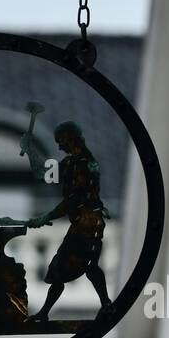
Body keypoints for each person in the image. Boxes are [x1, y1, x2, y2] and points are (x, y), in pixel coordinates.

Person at [27, 121, 111, 321]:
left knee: (66, 267)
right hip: (85, 223)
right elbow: (44, 175)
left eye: (61, 141)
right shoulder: (71, 163)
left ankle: (45, 313)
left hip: (88, 223)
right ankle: (105, 304)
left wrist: (46, 217)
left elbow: (74, 199)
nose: (59, 147)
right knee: (80, 266)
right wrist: (30, 151)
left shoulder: (85, 164)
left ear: (70, 138)